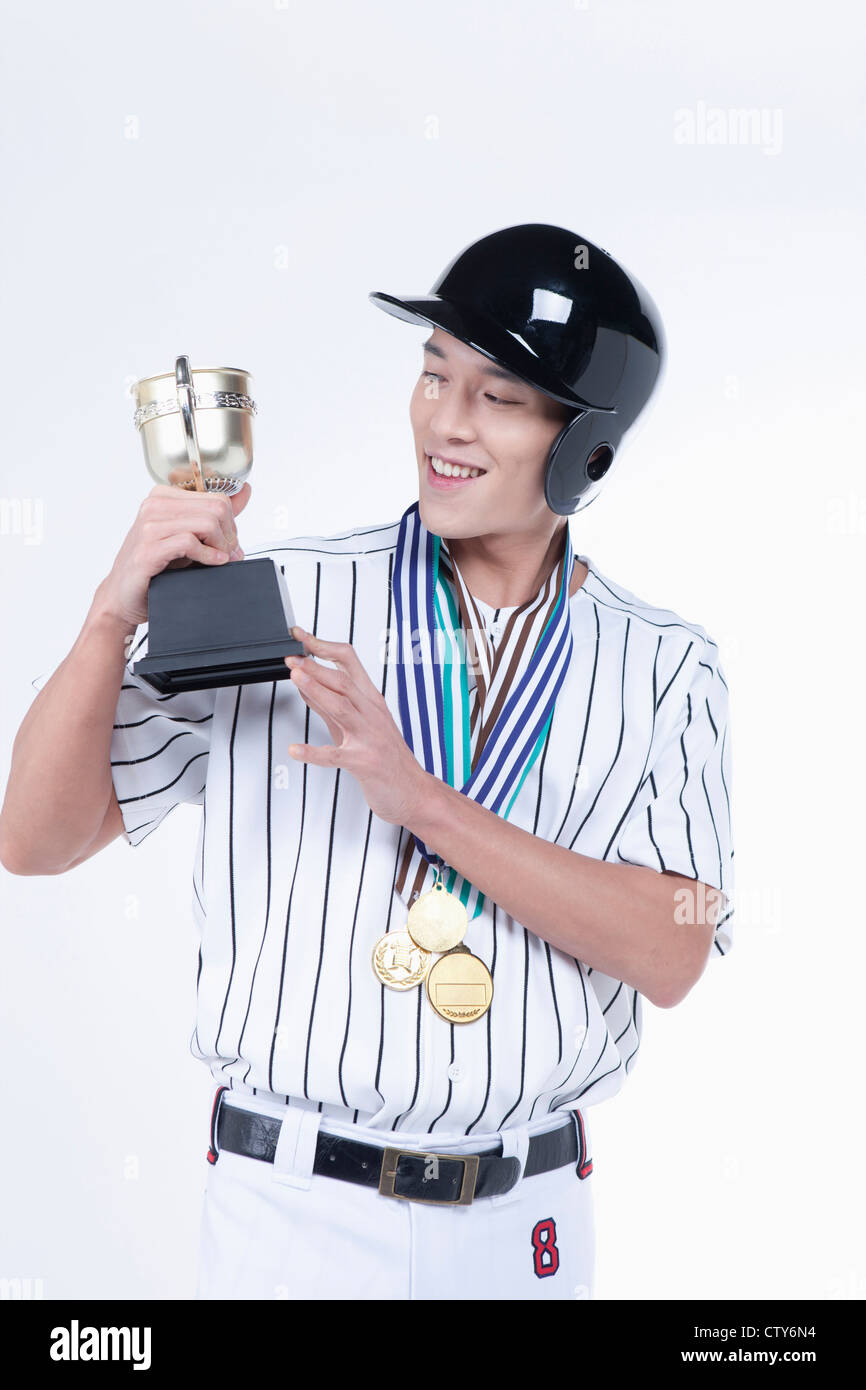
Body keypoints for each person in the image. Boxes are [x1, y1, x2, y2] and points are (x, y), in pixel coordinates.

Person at [0, 223, 734, 1301]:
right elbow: (34, 840)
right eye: (434, 374)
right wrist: (111, 618)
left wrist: (420, 801)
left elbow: (671, 952)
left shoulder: (665, 664)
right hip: (292, 1220)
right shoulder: (278, 599)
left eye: (496, 396)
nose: (444, 420)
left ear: (583, 446)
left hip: (526, 1226)